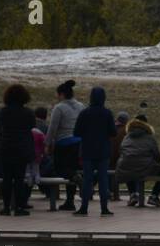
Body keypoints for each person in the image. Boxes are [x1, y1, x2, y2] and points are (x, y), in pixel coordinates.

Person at [71, 87, 117, 216]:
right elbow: (113, 132)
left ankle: (84, 207)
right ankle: (104, 208)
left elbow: (76, 132)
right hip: (103, 151)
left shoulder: (85, 113)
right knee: (103, 180)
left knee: (87, 180)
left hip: (88, 150)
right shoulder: (107, 113)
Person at [0, 84, 36, 216]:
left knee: (6, 179)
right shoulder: (28, 113)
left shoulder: (3, 112)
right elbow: (32, 126)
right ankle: (19, 207)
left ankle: (6, 207)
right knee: (19, 179)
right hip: (22, 148)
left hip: (6, 148)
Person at [46, 80, 85, 211]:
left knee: (60, 169)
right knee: (73, 169)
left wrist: (48, 144)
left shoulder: (59, 108)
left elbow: (53, 128)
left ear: (61, 94)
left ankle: (75, 181)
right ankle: (70, 201)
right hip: (79, 143)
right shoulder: (81, 106)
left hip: (63, 143)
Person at [114, 114, 160, 206]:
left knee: (129, 165)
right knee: (141, 167)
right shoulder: (149, 137)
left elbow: (121, 150)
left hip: (126, 166)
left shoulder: (127, 136)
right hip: (145, 166)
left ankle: (133, 194)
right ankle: (153, 195)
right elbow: (157, 154)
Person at [109, 111, 130, 201]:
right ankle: (134, 193)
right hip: (121, 160)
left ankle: (111, 192)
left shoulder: (110, 128)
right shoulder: (126, 131)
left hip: (108, 158)